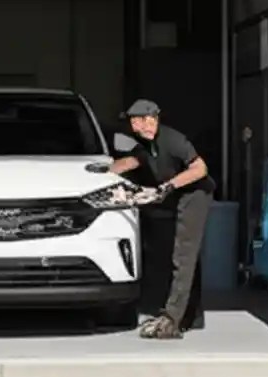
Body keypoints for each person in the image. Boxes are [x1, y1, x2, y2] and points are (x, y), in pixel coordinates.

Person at [87, 99, 216, 339]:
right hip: (175, 195)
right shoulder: (146, 144)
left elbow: (200, 169)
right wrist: (101, 171)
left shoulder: (173, 140)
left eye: (141, 120)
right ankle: (191, 315)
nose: (138, 126)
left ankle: (172, 320)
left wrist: (168, 186)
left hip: (194, 196)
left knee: (183, 255)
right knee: (180, 256)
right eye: (134, 122)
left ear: (153, 119)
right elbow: (133, 161)